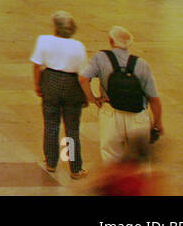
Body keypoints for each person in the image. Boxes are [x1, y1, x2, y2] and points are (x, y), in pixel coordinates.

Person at [79, 26, 163, 165]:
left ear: (111, 41)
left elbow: (83, 79)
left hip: (111, 113)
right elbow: (154, 98)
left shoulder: (101, 58)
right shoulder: (142, 64)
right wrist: (158, 122)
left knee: (111, 157)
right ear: (129, 44)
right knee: (140, 162)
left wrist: (92, 98)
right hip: (137, 116)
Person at [31, 11, 89, 180]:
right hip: (71, 84)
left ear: (55, 27)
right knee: (72, 128)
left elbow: (36, 65)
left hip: (50, 80)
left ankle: (51, 162)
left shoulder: (44, 40)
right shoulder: (78, 46)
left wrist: (37, 85)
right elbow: (83, 75)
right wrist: (87, 96)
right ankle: (75, 168)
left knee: (51, 124)